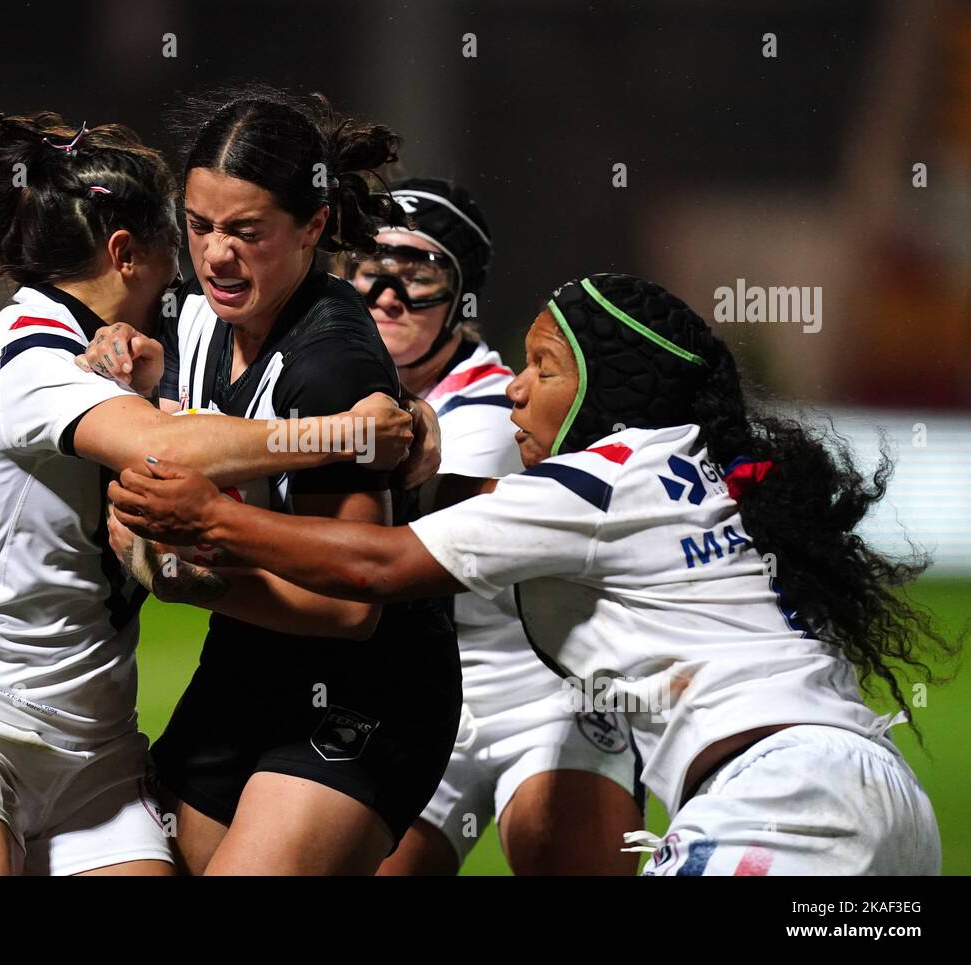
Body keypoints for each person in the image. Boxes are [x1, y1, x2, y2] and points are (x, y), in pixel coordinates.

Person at [109, 272, 958, 875]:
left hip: (783, 805)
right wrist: (384, 472)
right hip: (876, 803)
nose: (517, 389)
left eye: (545, 368)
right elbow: (490, 511)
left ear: (605, 388)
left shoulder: (607, 471)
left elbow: (379, 565)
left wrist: (214, 518)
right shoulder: (702, 475)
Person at [0, 109, 418, 876]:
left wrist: (420, 428)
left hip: (100, 756)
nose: (204, 264)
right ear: (126, 253)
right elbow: (171, 444)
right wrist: (340, 435)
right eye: (185, 232)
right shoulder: (34, 351)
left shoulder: (171, 336)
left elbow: (190, 429)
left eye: (238, 230)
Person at [96, 88, 464, 876]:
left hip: (370, 688)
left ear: (315, 228)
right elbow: (172, 419)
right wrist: (115, 347)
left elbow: (349, 605)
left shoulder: (333, 366)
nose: (217, 254)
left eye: (246, 231)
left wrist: (184, 579)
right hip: (248, 669)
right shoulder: (193, 322)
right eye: (199, 226)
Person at [340, 179, 642, 875]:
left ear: (461, 297)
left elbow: (379, 557)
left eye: (419, 275)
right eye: (370, 269)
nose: (387, 294)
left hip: (539, 689)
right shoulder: (337, 375)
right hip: (413, 694)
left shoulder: (486, 413)